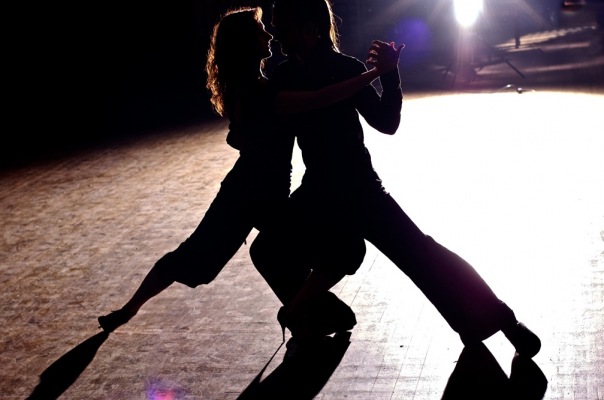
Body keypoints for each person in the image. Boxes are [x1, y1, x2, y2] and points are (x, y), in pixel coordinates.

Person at [251, 0, 541, 358]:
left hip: (360, 190)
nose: (276, 32)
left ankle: (504, 321)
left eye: (283, 25)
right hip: (319, 192)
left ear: (310, 28)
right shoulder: (284, 77)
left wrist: (390, 75)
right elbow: (284, 132)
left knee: (425, 256)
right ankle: (323, 316)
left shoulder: (344, 68)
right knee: (268, 249)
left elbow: (386, 123)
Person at [97, 6, 401, 334]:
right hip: (260, 195)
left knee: (205, 255)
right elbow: (321, 97)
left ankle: (129, 310)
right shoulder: (264, 93)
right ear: (246, 44)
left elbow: (241, 134)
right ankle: (302, 312)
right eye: (260, 31)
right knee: (341, 249)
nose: (269, 34)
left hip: (250, 190)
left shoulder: (257, 87)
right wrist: (376, 73)